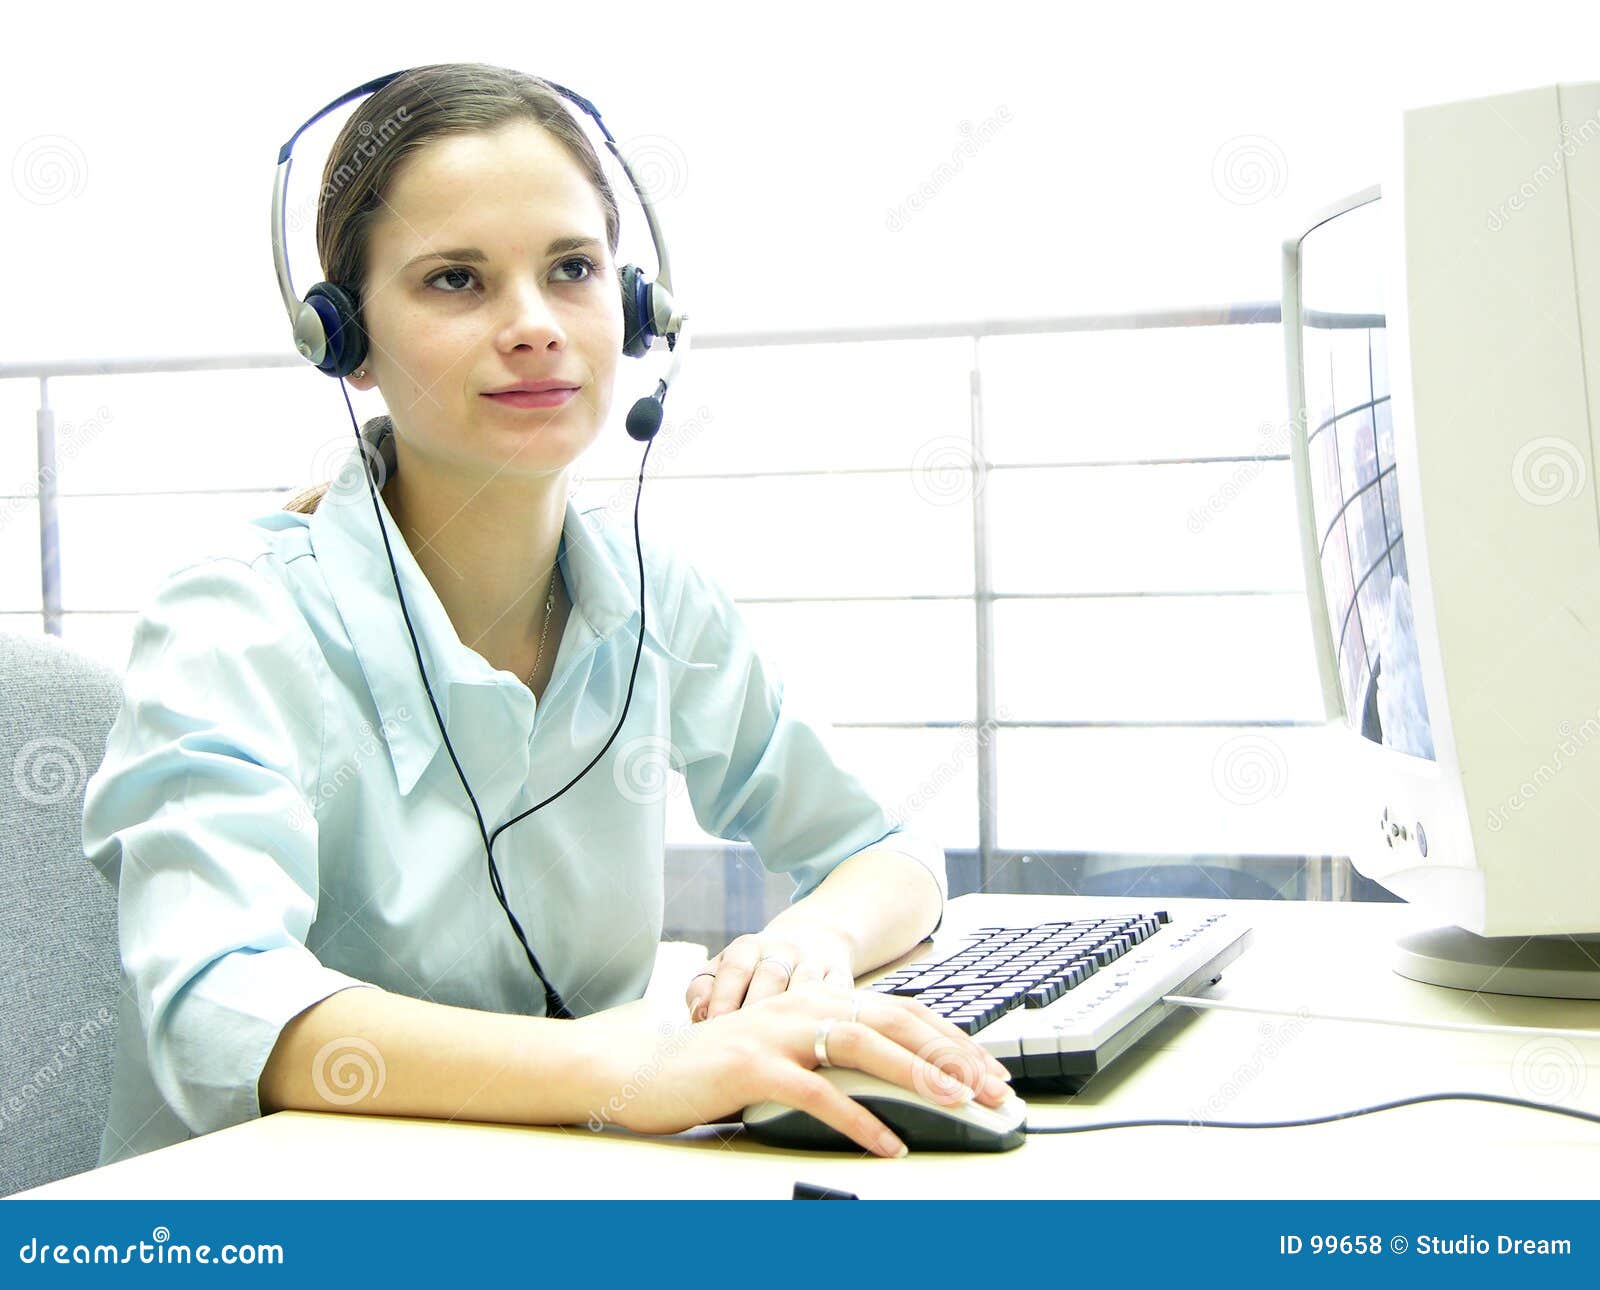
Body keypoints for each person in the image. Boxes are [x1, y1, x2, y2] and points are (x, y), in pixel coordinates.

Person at [82, 63, 1012, 1169]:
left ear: (629, 307)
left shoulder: (652, 592)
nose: (532, 325)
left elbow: (882, 848)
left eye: (570, 268)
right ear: (346, 342)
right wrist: (636, 1071)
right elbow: (218, 999)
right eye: (455, 281)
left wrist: (809, 942)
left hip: (581, 1181)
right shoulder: (235, 622)